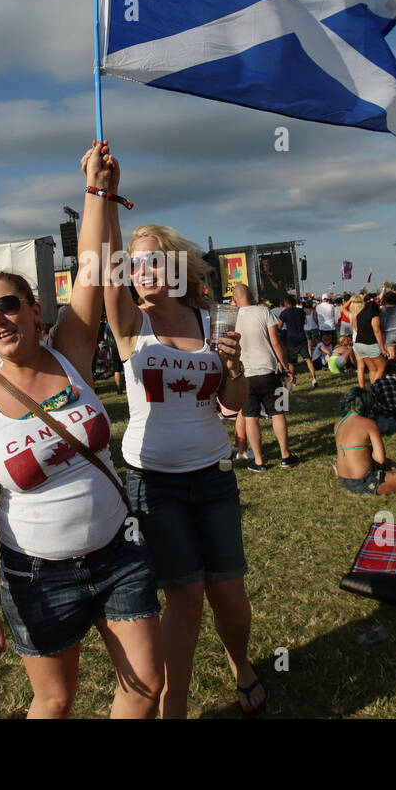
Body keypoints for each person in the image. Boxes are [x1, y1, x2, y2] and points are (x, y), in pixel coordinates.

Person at [0, 142, 163, 718]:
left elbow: (94, 272)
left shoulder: (69, 350)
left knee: (147, 682)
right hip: (35, 573)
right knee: (54, 700)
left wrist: (95, 191)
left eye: (8, 304)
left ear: (34, 309)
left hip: (119, 550)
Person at [104, 195, 263, 717]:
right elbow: (105, 266)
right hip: (153, 483)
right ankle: (175, 708)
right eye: (134, 262)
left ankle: (241, 665)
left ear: (175, 266)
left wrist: (235, 368)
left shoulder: (211, 320)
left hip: (214, 475)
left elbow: (231, 403)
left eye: (154, 259)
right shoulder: (131, 324)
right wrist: (102, 195)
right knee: (186, 597)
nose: (143, 270)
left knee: (230, 596)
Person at [232, 283, 298, 472]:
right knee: (278, 412)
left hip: (245, 374)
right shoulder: (264, 311)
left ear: (234, 299)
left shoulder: (232, 317)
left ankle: (259, 461)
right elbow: (275, 342)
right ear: (251, 295)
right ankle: (285, 455)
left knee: (251, 417)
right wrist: (285, 366)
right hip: (270, 371)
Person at [334, 389, 396, 494]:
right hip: (366, 482)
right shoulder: (368, 424)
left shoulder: (338, 424)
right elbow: (380, 459)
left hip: (344, 479)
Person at [278, 294, 317, 387]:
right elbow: (305, 322)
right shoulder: (301, 311)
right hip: (302, 337)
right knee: (308, 359)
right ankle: (314, 379)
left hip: (291, 339)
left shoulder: (284, 313)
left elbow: (279, 326)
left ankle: (293, 381)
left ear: (286, 303)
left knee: (292, 362)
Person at [354, 293, 387, 386]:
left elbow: (357, 329)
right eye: (378, 299)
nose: (379, 301)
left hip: (359, 344)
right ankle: (374, 389)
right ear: (373, 301)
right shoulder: (373, 314)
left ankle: (373, 392)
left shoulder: (360, 314)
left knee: (373, 369)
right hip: (370, 344)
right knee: (382, 367)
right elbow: (377, 332)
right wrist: (383, 348)